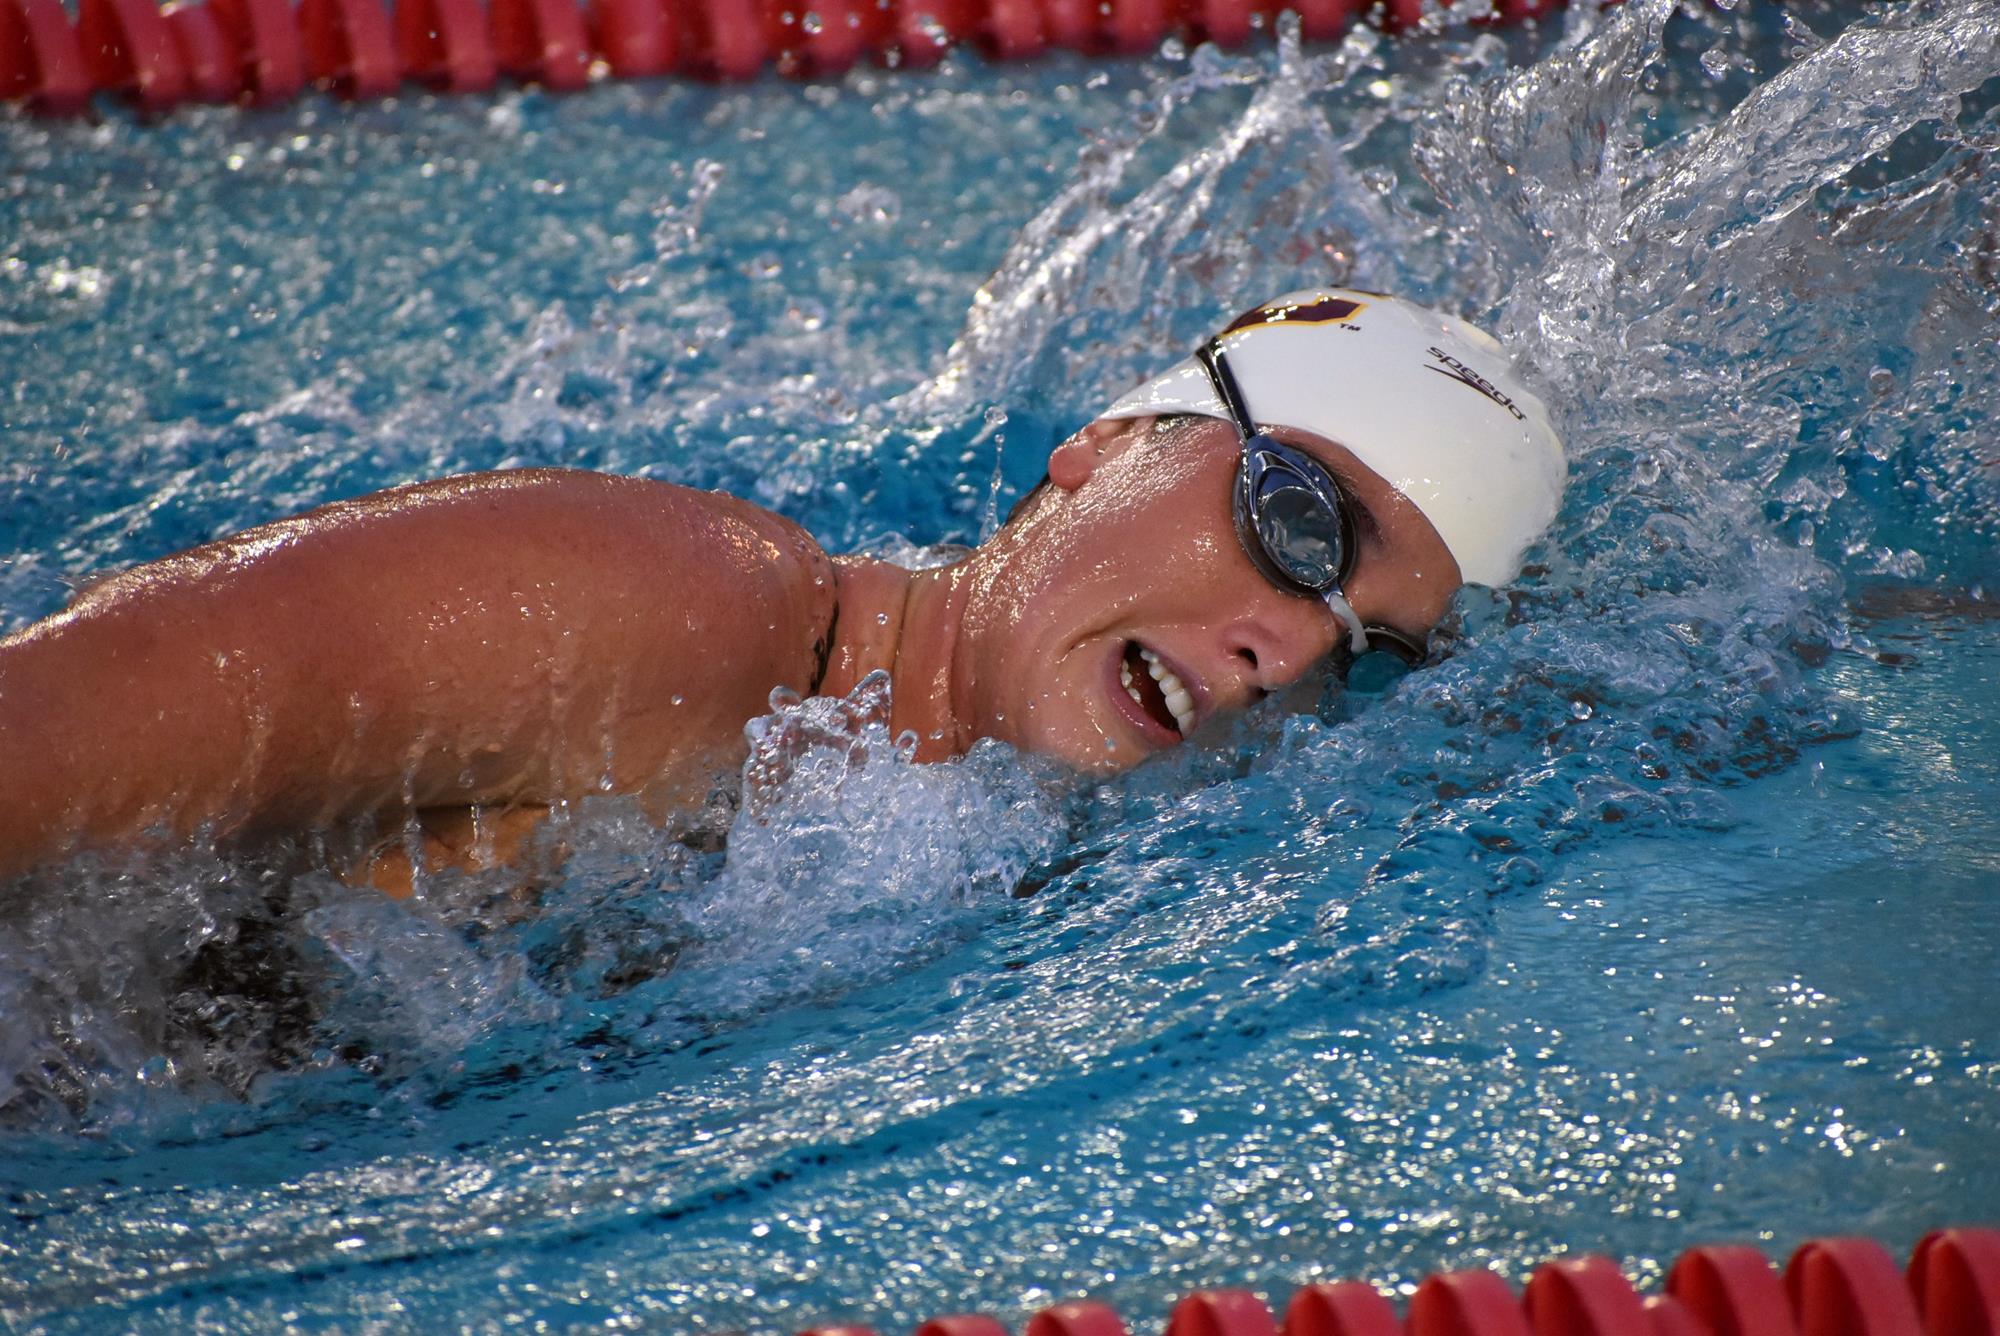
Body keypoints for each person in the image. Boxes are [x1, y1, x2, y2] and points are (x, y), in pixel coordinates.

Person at [0, 288, 1564, 892]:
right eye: (1299, 525)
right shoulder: (665, 608)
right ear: (1104, 444)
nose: (1289, 649)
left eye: (1369, 657)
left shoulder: (960, 855)